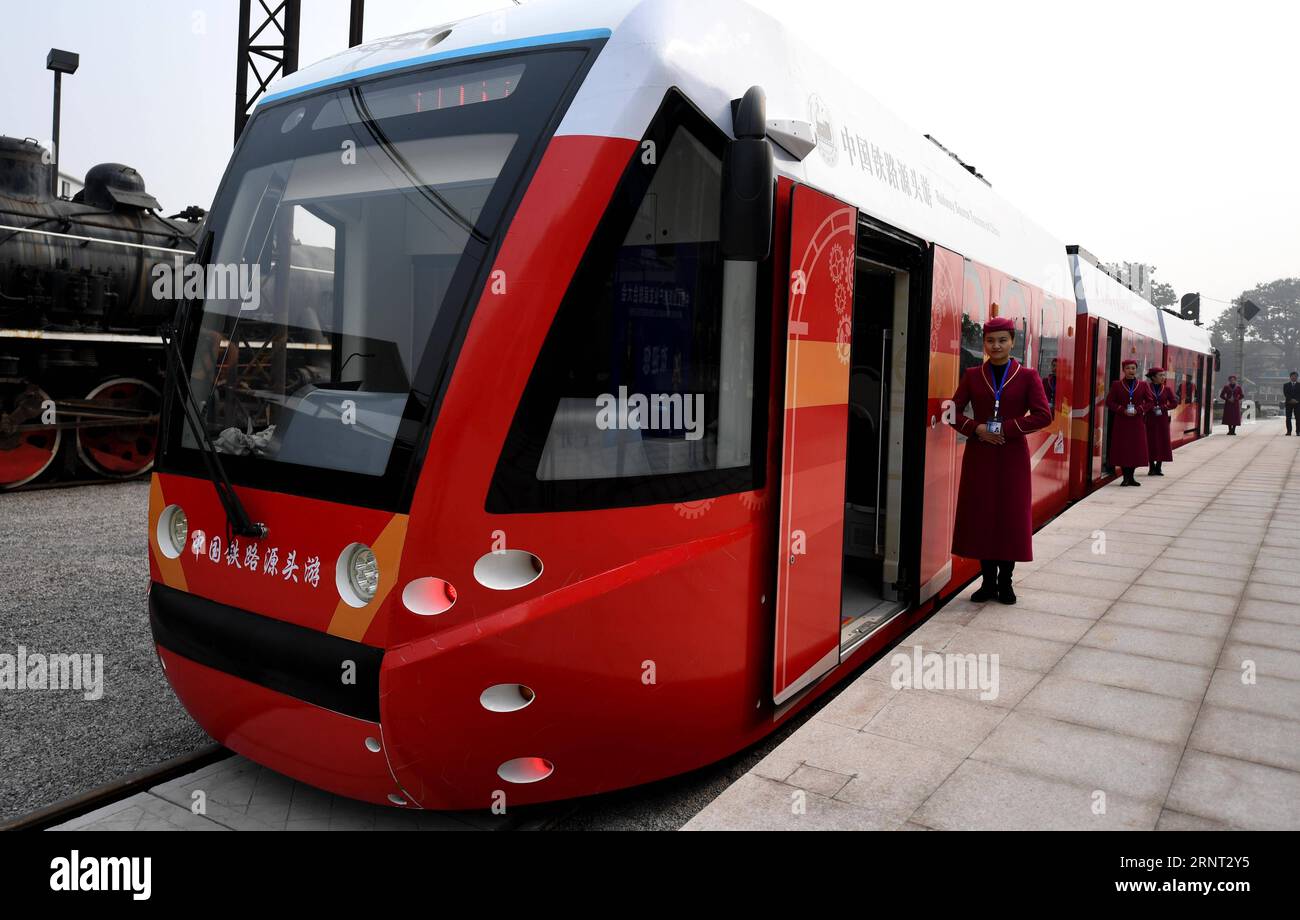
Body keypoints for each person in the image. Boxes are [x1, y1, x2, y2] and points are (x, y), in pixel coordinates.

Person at [947, 315, 1052, 605]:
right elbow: (952, 413)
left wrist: (1004, 429)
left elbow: (1044, 415)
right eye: (991, 341)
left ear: (1012, 342)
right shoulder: (971, 375)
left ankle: (1006, 583)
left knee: (1009, 517)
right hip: (980, 455)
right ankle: (987, 583)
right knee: (981, 516)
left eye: (1002, 340)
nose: (996, 346)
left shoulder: (1028, 376)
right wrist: (977, 429)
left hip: (1011, 456)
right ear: (984, 343)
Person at [1105, 358, 1154, 486]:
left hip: (1137, 422)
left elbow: (1150, 402)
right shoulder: (1116, 385)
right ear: (1123, 370)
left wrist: (1139, 410)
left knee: (1135, 449)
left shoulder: (1143, 385)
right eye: (1128, 368)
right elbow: (1109, 402)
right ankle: (1125, 477)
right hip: (1122, 422)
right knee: (1122, 449)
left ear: (1136, 370)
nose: (1130, 371)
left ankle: (1131, 477)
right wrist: (1121, 410)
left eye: (1133, 368)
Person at [1144, 367, 1179, 476]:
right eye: (1161, 375)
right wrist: (1149, 408)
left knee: (1162, 442)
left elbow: (1174, 403)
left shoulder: (1167, 389)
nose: (1163, 377)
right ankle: (1151, 467)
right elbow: (1142, 401)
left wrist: (1164, 407)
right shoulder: (1147, 388)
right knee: (1150, 441)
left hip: (1162, 419)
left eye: (1164, 375)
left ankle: (1159, 467)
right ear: (1153, 377)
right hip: (1150, 418)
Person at [1284, 372, 1300, 436]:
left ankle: (1298, 431)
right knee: (1288, 418)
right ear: (1290, 377)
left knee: (1298, 418)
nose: (1294, 377)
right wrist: (1291, 399)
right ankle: (1289, 431)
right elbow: (1286, 393)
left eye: (1295, 376)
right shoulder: (1286, 385)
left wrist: (1297, 400)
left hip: (1298, 403)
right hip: (1288, 403)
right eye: (1292, 376)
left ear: (1297, 377)